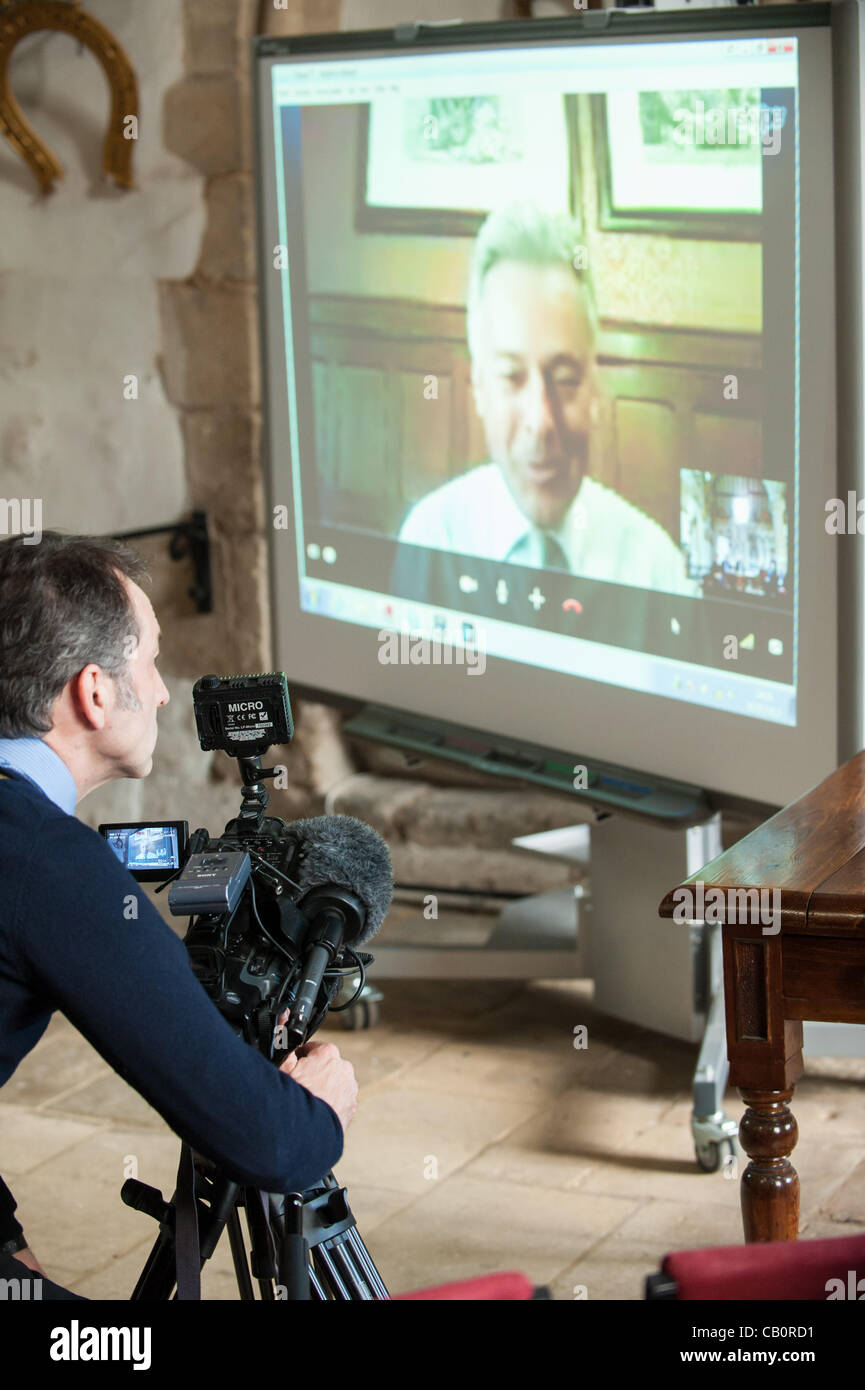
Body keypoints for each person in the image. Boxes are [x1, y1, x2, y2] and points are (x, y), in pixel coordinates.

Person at [0, 532, 358, 1298]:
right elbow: (265, 1139)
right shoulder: (47, 862)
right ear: (94, 692)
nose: (163, 693)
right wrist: (319, 1112)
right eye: (151, 662)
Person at [396, 202, 699, 597]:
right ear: (479, 391)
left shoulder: (659, 575)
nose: (540, 423)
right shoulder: (429, 545)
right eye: (511, 377)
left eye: (565, 379)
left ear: (594, 388)